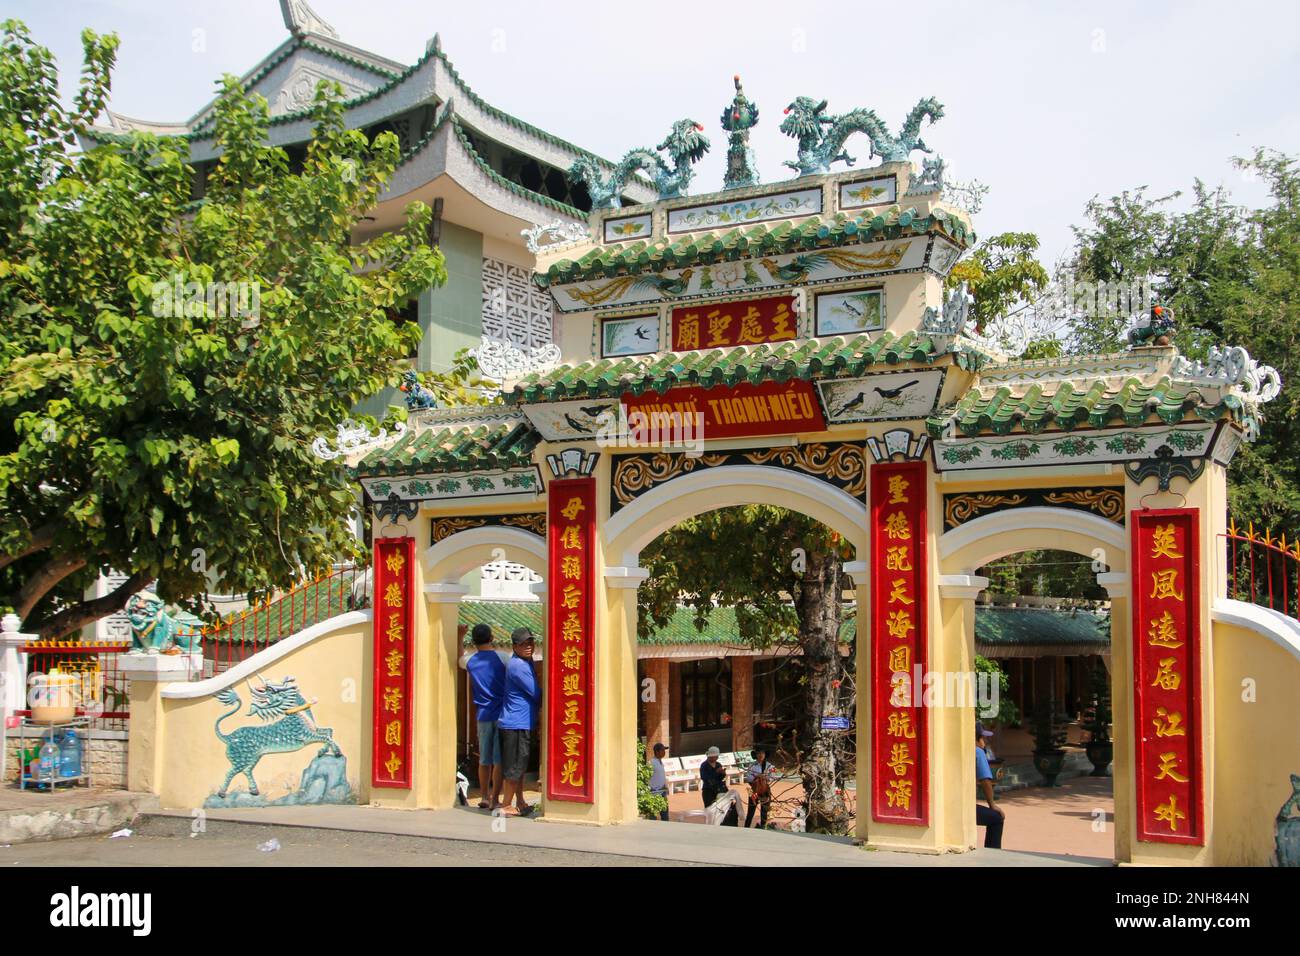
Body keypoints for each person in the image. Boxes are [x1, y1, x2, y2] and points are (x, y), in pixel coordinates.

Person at [498, 627, 540, 817]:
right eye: (523, 644)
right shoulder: (518, 666)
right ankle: (506, 805)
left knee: (520, 767)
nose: (528, 647)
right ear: (515, 646)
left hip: (521, 723)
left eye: (530, 642)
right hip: (516, 723)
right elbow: (535, 692)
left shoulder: (525, 662)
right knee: (514, 768)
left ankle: (520, 801)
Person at [465, 622, 506, 809]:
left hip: (483, 715)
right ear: (492, 638)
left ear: (473, 641)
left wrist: (459, 636)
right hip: (502, 713)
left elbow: (459, 657)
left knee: (484, 759)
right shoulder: (503, 658)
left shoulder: (470, 661)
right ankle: (496, 799)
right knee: (499, 760)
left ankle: (483, 796)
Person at [975, 719, 1004, 849]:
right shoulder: (978, 752)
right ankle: (993, 855)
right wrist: (992, 804)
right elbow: (986, 780)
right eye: (983, 738)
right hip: (963, 808)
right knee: (996, 818)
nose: (985, 742)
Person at [699, 746, 738, 826]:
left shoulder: (718, 764)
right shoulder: (704, 765)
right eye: (715, 756)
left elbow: (720, 778)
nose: (716, 758)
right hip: (708, 790)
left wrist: (722, 774)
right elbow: (704, 777)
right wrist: (716, 772)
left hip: (720, 789)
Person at [743, 745, 775, 829]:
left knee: (765, 810)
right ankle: (746, 827)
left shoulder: (770, 766)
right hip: (753, 790)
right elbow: (748, 778)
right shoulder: (751, 765)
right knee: (751, 810)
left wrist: (765, 777)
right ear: (755, 755)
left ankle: (763, 827)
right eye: (758, 753)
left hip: (765, 790)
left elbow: (773, 777)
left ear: (765, 754)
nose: (760, 755)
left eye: (762, 753)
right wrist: (757, 776)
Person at [648, 742, 670, 821]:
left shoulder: (660, 762)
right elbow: (647, 777)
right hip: (654, 793)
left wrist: (665, 786)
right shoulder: (651, 763)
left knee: (665, 816)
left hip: (662, 792)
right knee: (653, 816)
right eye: (662, 750)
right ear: (657, 752)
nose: (664, 752)